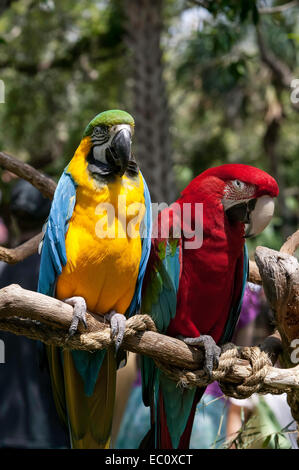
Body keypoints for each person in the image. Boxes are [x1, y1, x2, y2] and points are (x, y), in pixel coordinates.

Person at [0, 179, 70, 448]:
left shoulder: (4, 272)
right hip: (51, 430)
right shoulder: (62, 274)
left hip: (6, 428)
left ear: (14, 219)